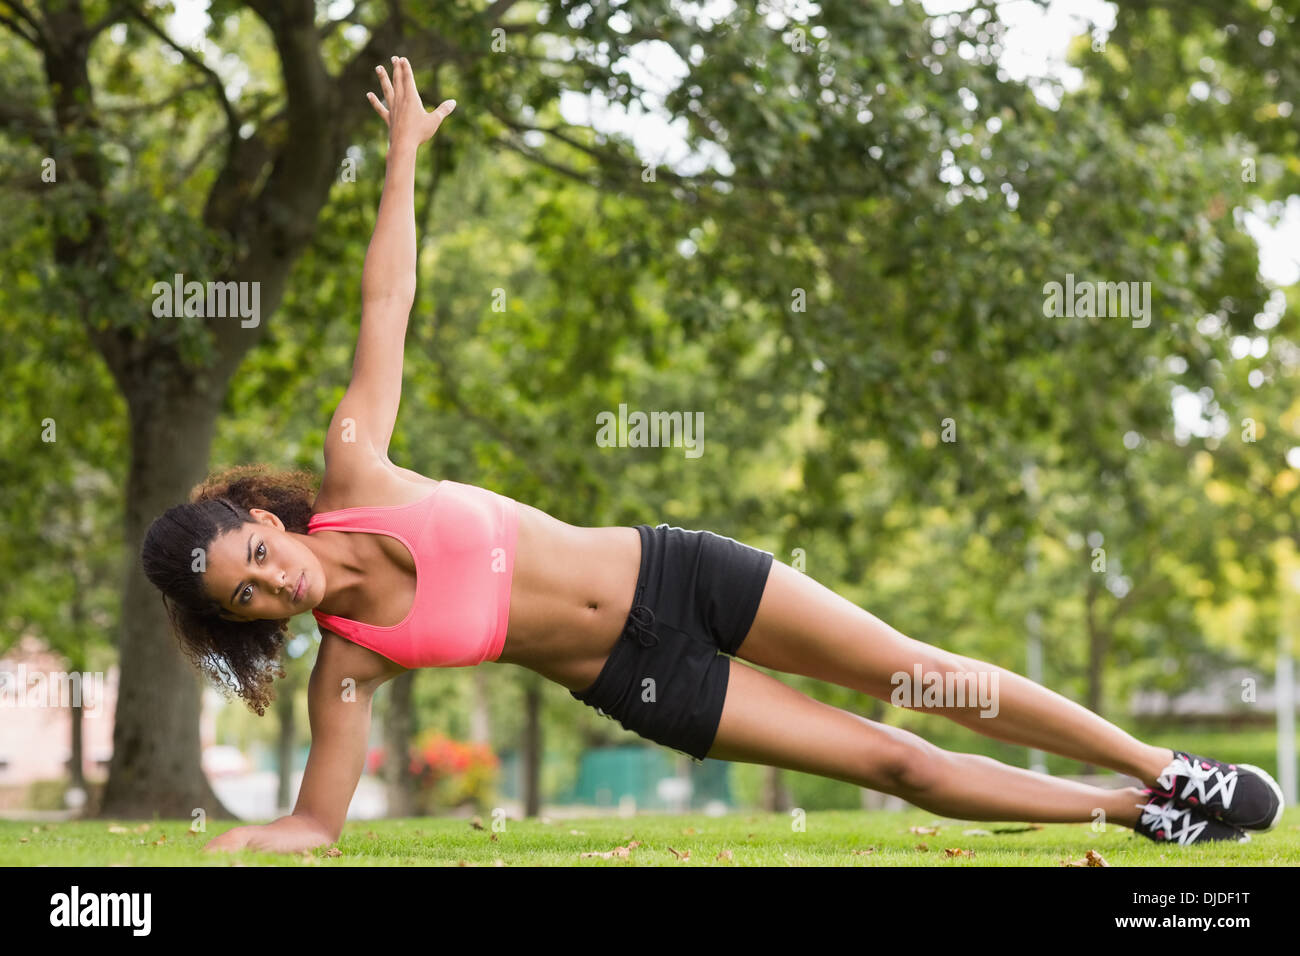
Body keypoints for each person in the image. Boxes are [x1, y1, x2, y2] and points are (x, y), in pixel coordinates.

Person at [141, 57, 1283, 854]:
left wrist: (400, 159)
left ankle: (1164, 761)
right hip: (646, 679)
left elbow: (384, 301)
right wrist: (261, 839)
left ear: (266, 516)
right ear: (250, 614)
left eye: (253, 552)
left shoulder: (355, 472)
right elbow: (317, 823)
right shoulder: (347, 669)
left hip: (680, 571)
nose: (269, 579)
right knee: (899, 764)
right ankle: (1135, 812)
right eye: (246, 595)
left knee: (913, 668)